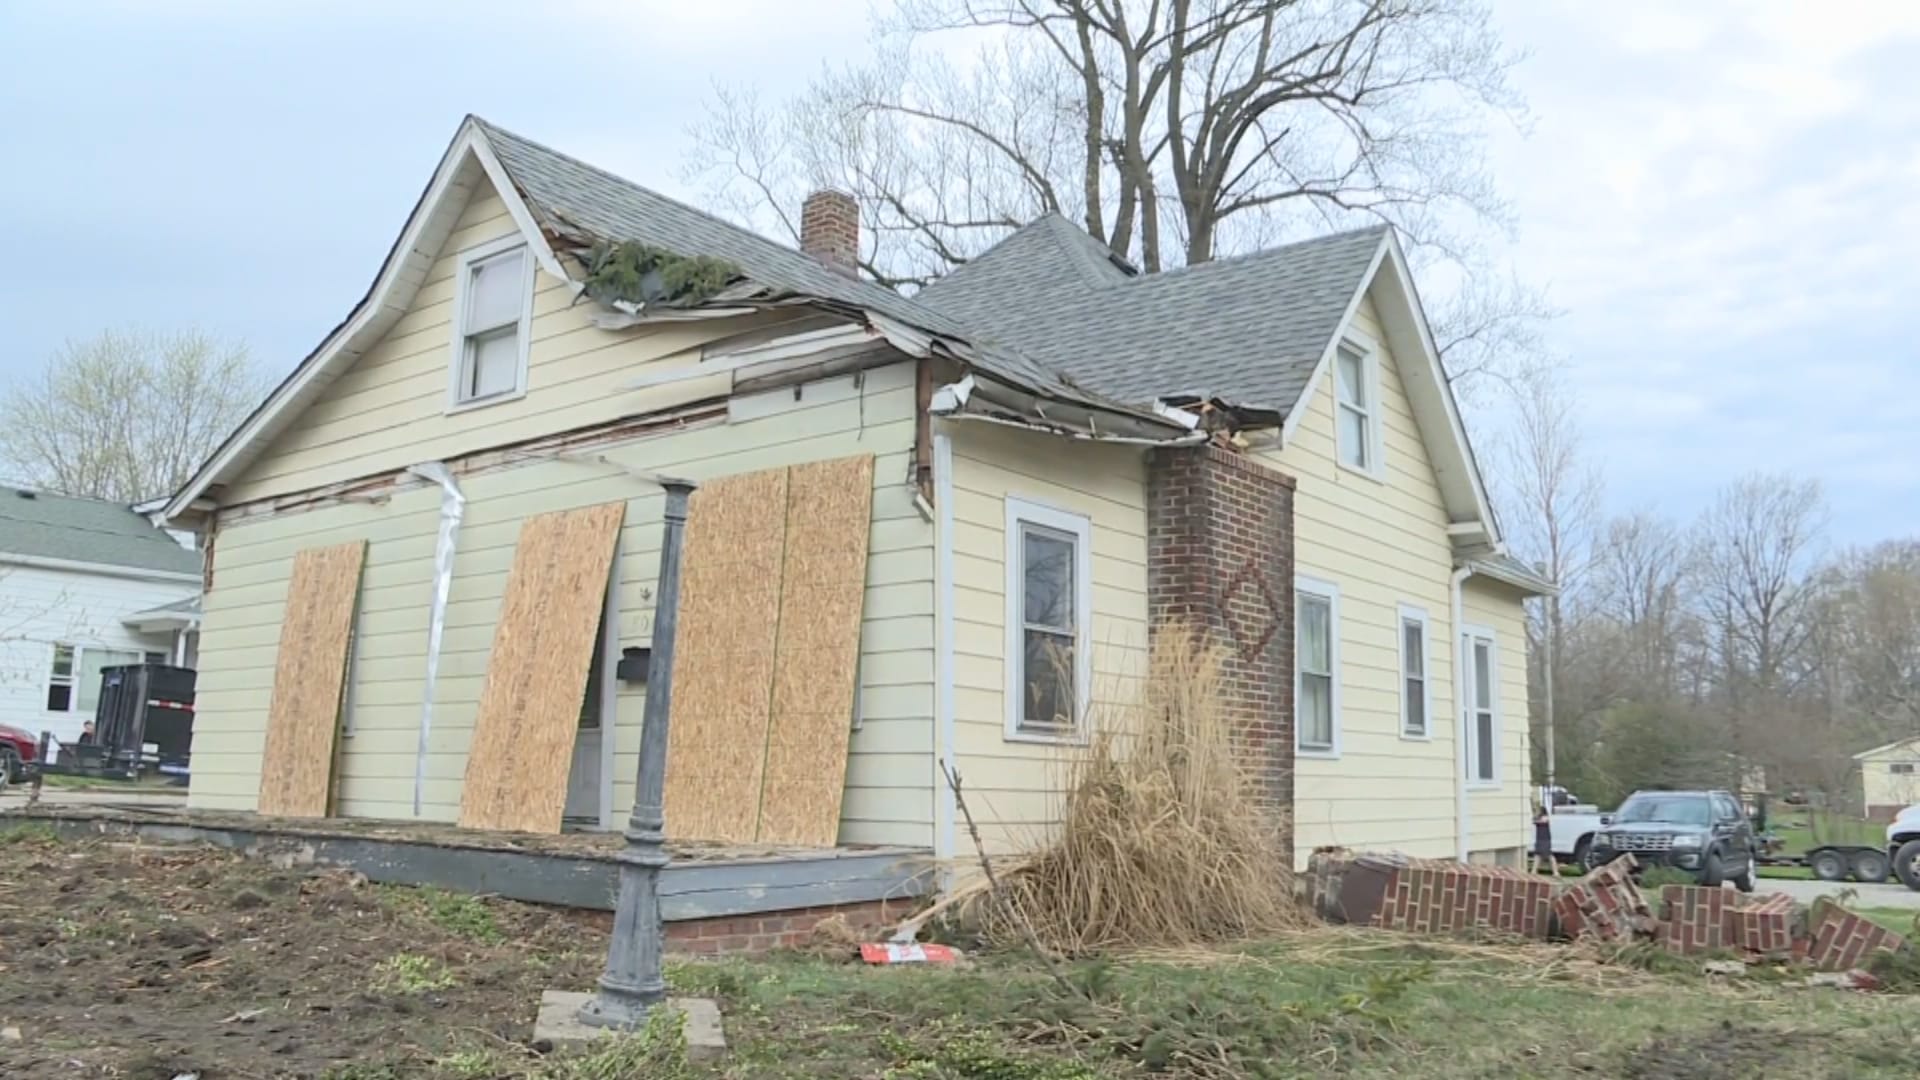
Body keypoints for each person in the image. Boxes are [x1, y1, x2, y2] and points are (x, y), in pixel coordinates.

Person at [1531, 804, 1561, 877]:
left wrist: (1535, 818)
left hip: (1545, 839)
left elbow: (1540, 821)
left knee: (1549, 855)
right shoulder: (1538, 817)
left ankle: (1556, 872)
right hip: (1539, 839)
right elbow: (1534, 821)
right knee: (1538, 855)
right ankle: (1534, 871)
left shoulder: (1545, 817)